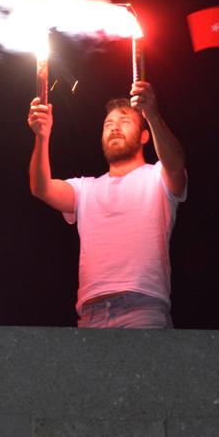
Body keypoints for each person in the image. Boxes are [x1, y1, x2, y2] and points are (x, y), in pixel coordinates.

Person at [27, 81, 187, 328]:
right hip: (91, 314)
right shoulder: (85, 188)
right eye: (108, 124)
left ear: (144, 135)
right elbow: (41, 187)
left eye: (124, 122)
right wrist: (42, 137)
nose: (114, 128)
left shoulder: (157, 177)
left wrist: (151, 115)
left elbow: (176, 164)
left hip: (142, 309)